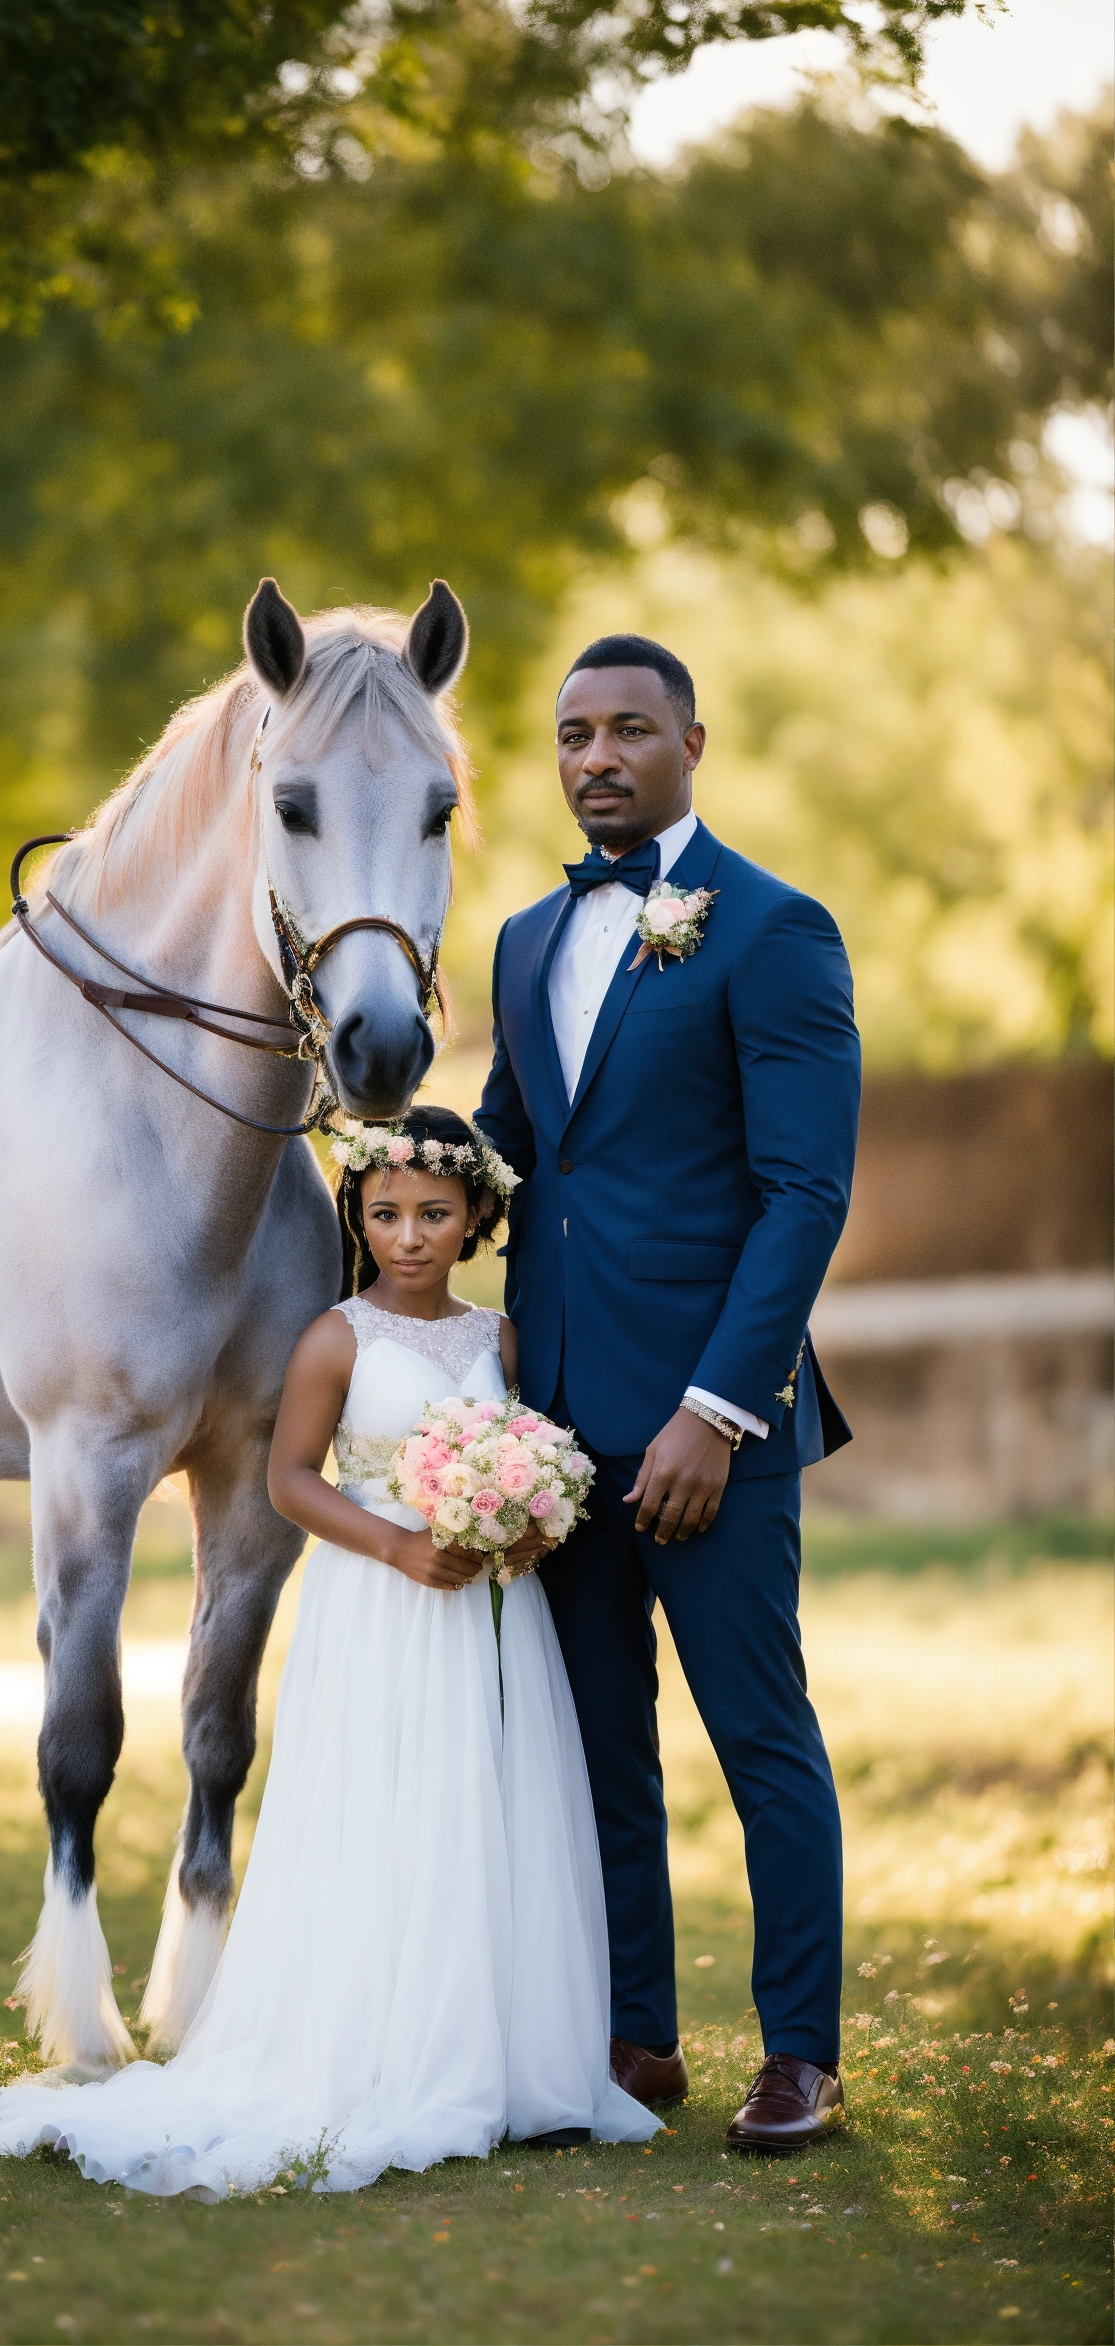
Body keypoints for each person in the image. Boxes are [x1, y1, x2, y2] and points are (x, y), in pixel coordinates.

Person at [0, 1102, 661, 2198]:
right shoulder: (335, 1335)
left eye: (433, 1212)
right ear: (357, 1214)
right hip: (379, 1598)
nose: (407, 1234)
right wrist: (396, 1541)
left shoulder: (497, 1337)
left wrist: (528, 1514)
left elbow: (527, 1445)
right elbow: (290, 1478)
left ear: (475, 1216)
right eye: (384, 1211)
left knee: (489, 1801)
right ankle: (378, 2042)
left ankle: (507, 2056)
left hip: (489, 1606)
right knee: (385, 1805)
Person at [476, 631, 861, 2155]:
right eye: (574, 734)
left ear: (694, 740)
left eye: (630, 729)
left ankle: (803, 2057)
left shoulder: (773, 929)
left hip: (714, 1428)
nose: (596, 759)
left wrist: (720, 1407)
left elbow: (805, 1194)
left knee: (761, 1741)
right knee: (598, 1750)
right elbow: (513, 1158)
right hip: (554, 1433)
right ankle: (636, 2038)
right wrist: (376, 1162)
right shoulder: (520, 940)